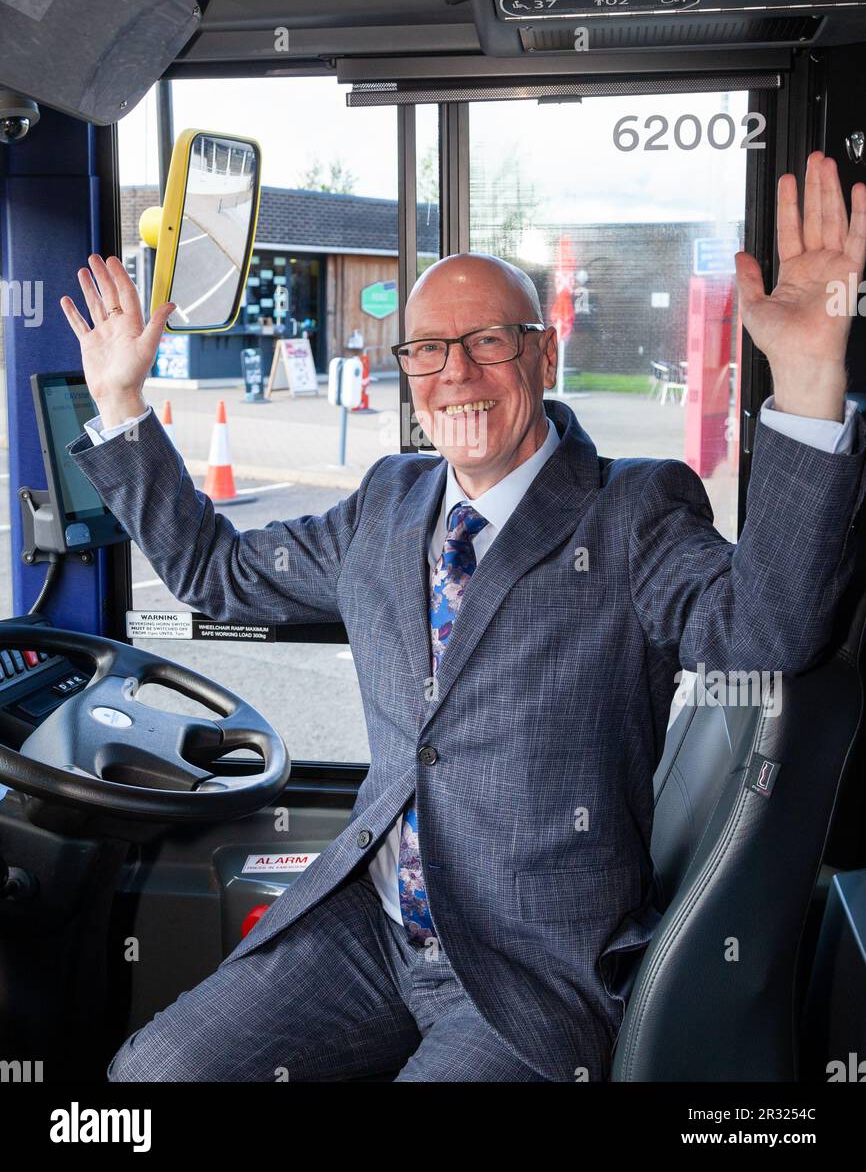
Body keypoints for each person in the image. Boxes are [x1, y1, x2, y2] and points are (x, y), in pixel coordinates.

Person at [61, 151, 866, 1082]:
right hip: (368, 929)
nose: (457, 374)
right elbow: (217, 573)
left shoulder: (635, 511)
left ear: (544, 352)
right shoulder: (386, 502)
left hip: (531, 968)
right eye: (429, 350)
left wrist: (807, 387)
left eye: (491, 341)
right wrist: (120, 403)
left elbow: (767, 635)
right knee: (154, 1076)